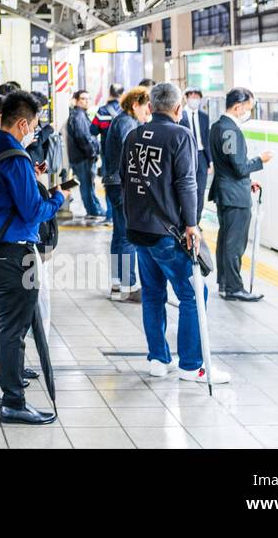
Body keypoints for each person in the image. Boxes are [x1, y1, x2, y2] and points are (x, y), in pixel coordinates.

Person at [123, 82, 228, 384]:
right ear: (178, 108)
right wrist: (192, 225)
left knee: (153, 295)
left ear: (152, 106)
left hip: (139, 230)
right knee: (194, 294)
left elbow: (126, 180)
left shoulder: (134, 135)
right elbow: (187, 183)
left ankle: (158, 359)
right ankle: (192, 365)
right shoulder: (181, 135)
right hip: (167, 232)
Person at [0, 90, 66, 425]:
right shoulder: (15, 157)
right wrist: (58, 197)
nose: (35, 131)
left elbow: (0, 195)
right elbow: (33, 210)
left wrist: (31, 177)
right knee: (13, 329)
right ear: (23, 123)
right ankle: (14, 401)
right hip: (14, 254)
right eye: (34, 125)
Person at [208, 87, 273, 301]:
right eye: (248, 108)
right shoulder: (231, 130)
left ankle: (225, 284)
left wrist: (247, 180)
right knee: (234, 243)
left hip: (225, 191)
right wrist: (259, 160)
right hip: (235, 197)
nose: (249, 112)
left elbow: (229, 166)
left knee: (226, 240)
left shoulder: (218, 126)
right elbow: (239, 167)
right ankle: (234, 287)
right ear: (238, 107)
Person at [103, 86, 148, 301]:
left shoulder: (121, 120)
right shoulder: (128, 124)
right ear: (135, 105)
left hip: (114, 183)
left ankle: (117, 284)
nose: (147, 112)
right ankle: (128, 287)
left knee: (119, 236)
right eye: (146, 107)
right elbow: (131, 156)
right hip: (122, 184)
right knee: (128, 237)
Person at [65, 89, 107, 223]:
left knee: (88, 185)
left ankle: (96, 209)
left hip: (82, 157)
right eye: (83, 98)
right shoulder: (78, 116)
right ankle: (93, 211)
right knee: (87, 186)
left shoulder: (81, 114)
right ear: (76, 100)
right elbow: (83, 137)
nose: (86, 101)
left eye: (88, 99)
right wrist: (92, 153)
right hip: (83, 157)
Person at [180, 88, 212, 211]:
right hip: (186, 155)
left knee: (201, 190)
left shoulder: (204, 117)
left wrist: (210, 161)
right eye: (192, 97)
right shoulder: (180, 116)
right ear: (186, 98)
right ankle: (185, 222)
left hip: (201, 156)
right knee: (186, 189)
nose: (194, 99)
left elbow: (206, 139)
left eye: (197, 97)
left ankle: (196, 222)